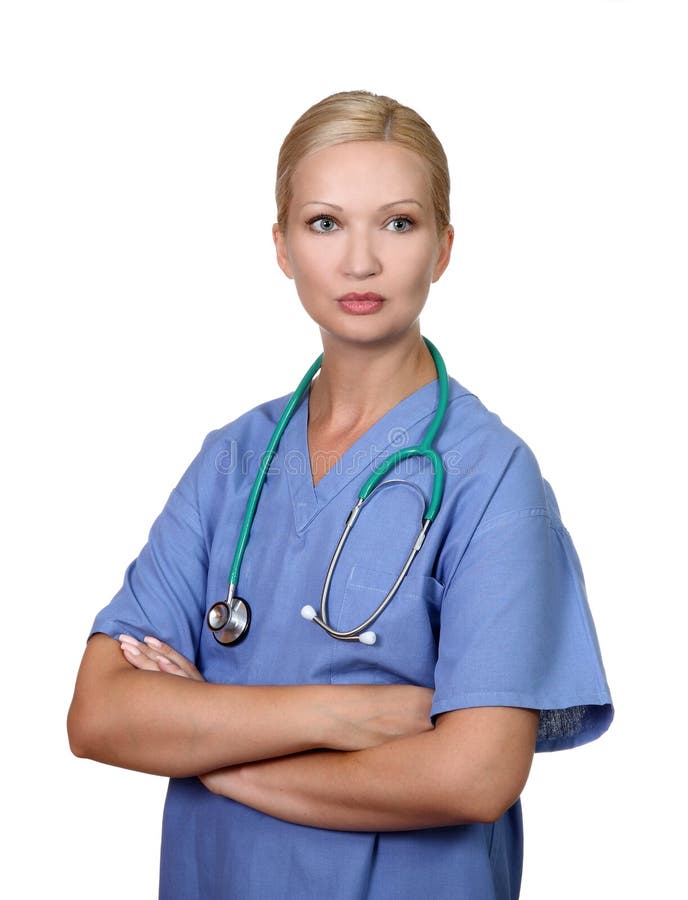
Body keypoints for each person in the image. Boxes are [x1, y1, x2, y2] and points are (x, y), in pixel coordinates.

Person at [67, 90, 613, 900]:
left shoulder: (491, 476)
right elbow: (101, 714)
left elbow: (473, 776)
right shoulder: (232, 462)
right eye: (325, 223)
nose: (361, 262)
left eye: (399, 222)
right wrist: (342, 717)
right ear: (282, 246)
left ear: (445, 246)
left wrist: (216, 755)